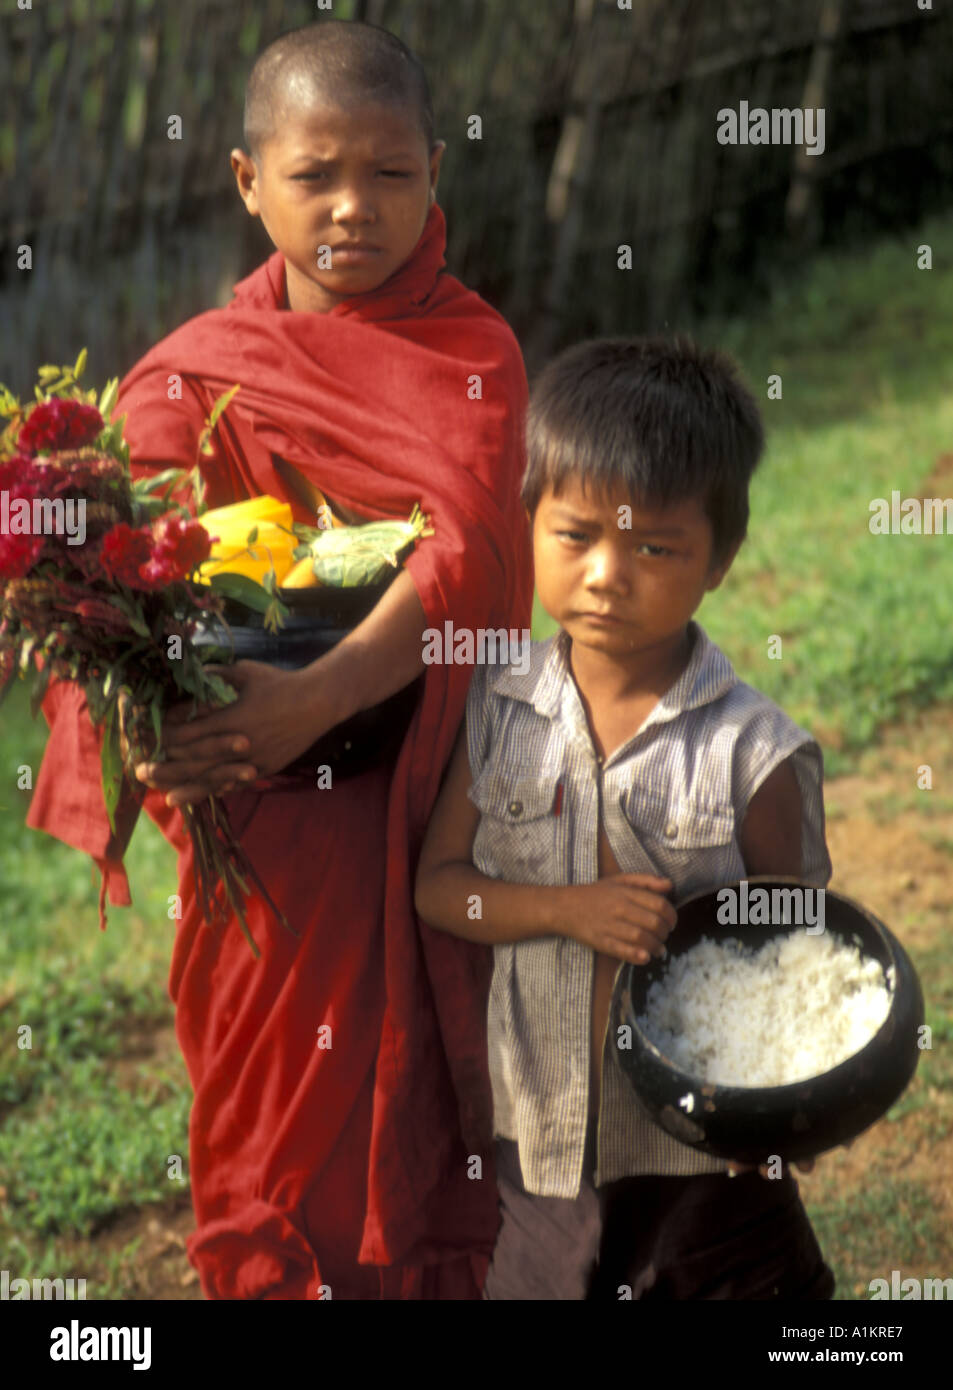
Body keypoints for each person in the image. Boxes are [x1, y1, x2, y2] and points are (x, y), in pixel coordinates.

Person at [26, 19, 532, 1300]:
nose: (353, 209)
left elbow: (465, 566)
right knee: (263, 1123)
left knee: (409, 1109)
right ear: (250, 182)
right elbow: (111, 545)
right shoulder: (205, 369)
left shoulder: (471, 353)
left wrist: (310, 697)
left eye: (389, 175)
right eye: (316, 176)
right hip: (254, 811)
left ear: (434, 180)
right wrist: (146, 725)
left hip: (407, 797)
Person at [414, 336, 837, 1300]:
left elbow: (803, 960)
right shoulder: (493, 709)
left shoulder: (756, 755)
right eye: (576, 536)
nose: (607, 573)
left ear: (720, 558)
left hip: (708, 1180)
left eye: (653, 547)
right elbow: (441, 891)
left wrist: (773, 1111)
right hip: (541, 1163)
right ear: (529, 524)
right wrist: (566, 910)